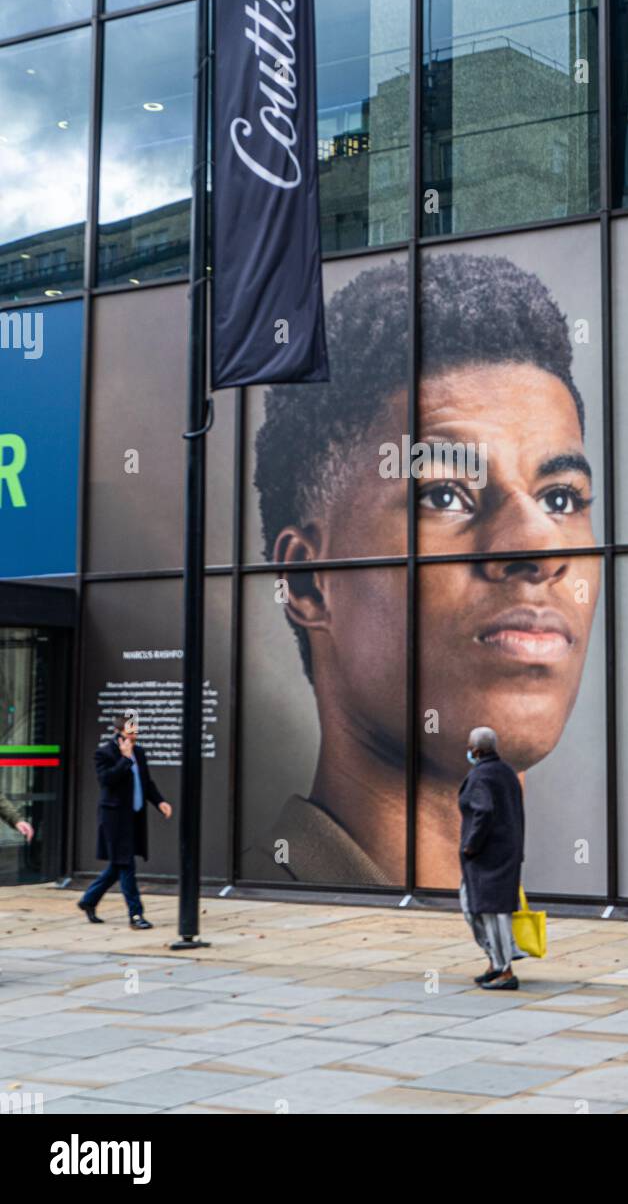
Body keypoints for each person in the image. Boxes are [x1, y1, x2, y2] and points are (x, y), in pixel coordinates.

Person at [251, 251, 600, 886]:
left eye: (561, 498)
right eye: (443, 495)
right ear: (307, 581)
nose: (541, 545)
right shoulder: (268, 926)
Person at [78, 712, 172, 929]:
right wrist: (124, 759)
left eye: (136, 733)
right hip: (114, 820)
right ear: (118, 732)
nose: (134, 738)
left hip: (134, 818)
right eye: (130, 733)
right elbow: (106, 780)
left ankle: (89, 901)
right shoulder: (104, 753)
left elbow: (146, 783)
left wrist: (160, 802)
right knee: (126, 866)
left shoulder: (139, 752)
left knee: (117, 866)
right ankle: (136, 915)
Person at [459, 727, 525, 990]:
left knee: (488, 912)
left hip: (487, 857)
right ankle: (495, 962)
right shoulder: (506, 772)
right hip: (505, 854)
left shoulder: (481, 775)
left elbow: (483, 811)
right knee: (486, 910)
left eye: (469, 747)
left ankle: (503, 969)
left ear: (475, 750)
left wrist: (471, 845)